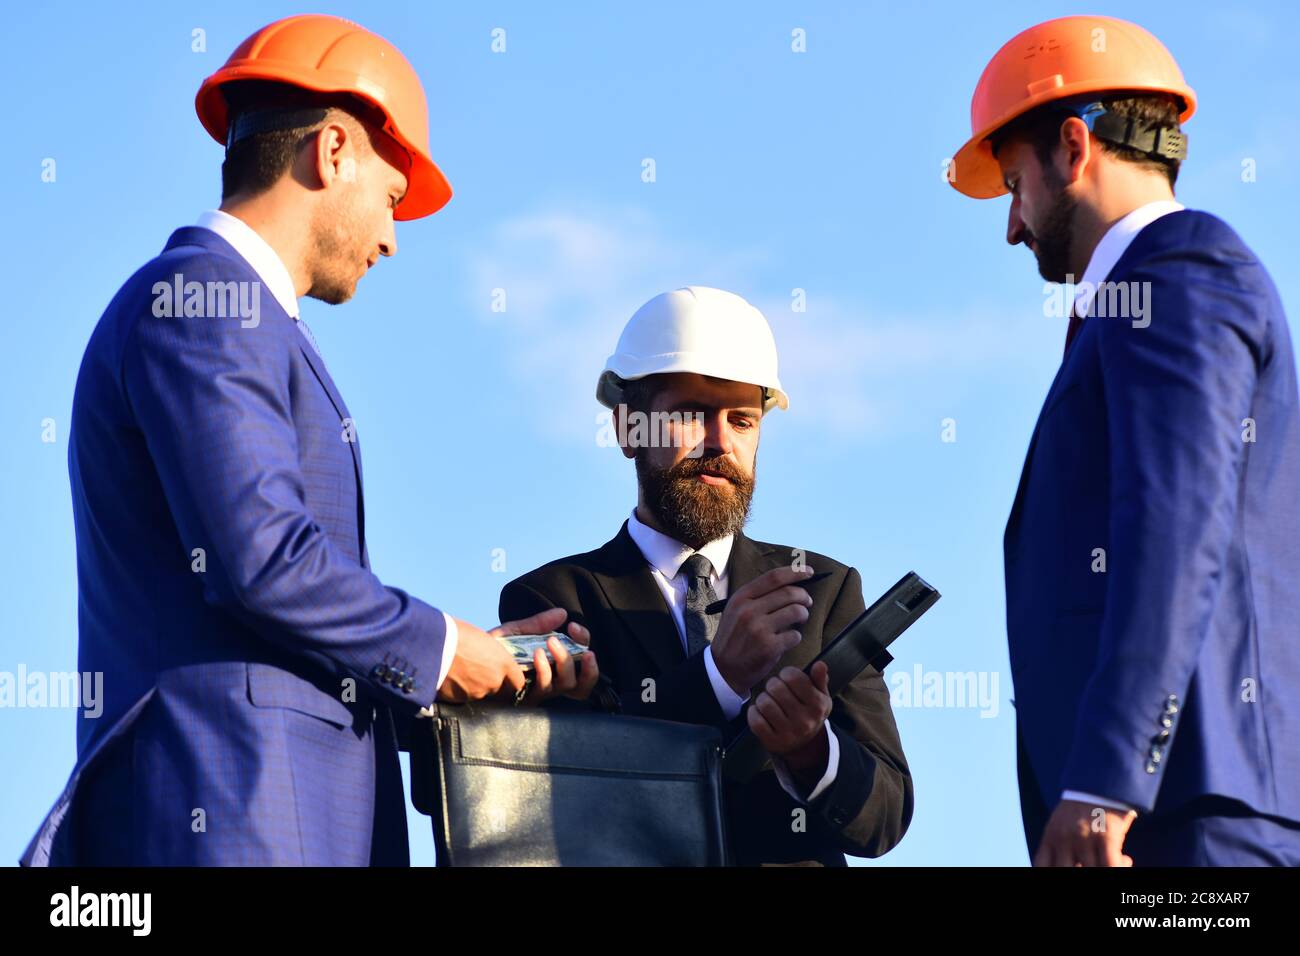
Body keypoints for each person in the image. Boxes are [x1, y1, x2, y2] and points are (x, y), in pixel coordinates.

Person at [21, 14, 596, 867]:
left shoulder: (239, 314)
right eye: (394, 200)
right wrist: (443, 650)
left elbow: (290, 627)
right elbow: (262, 562)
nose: (394, 239)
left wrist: (484, 668)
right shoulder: (204, 297)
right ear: (332, 152)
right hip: (232, 809)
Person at [949, 15, 1300, 865]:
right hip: (1169, 809)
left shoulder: (1176, 268)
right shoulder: (1137, 298)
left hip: (1189, 813)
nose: (1011, 225)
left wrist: (1107, 782)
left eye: (1013, 185)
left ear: (1074, 147)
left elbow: (1175, 522)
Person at [499, 287, 912, 866]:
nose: (719, 442)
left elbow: (886, 818)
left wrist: (813, 751)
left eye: (742, 420)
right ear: (627, 430)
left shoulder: (824, 589)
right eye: (691, 414)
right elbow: (573, 790)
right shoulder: (555, 598)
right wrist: (718, 677)